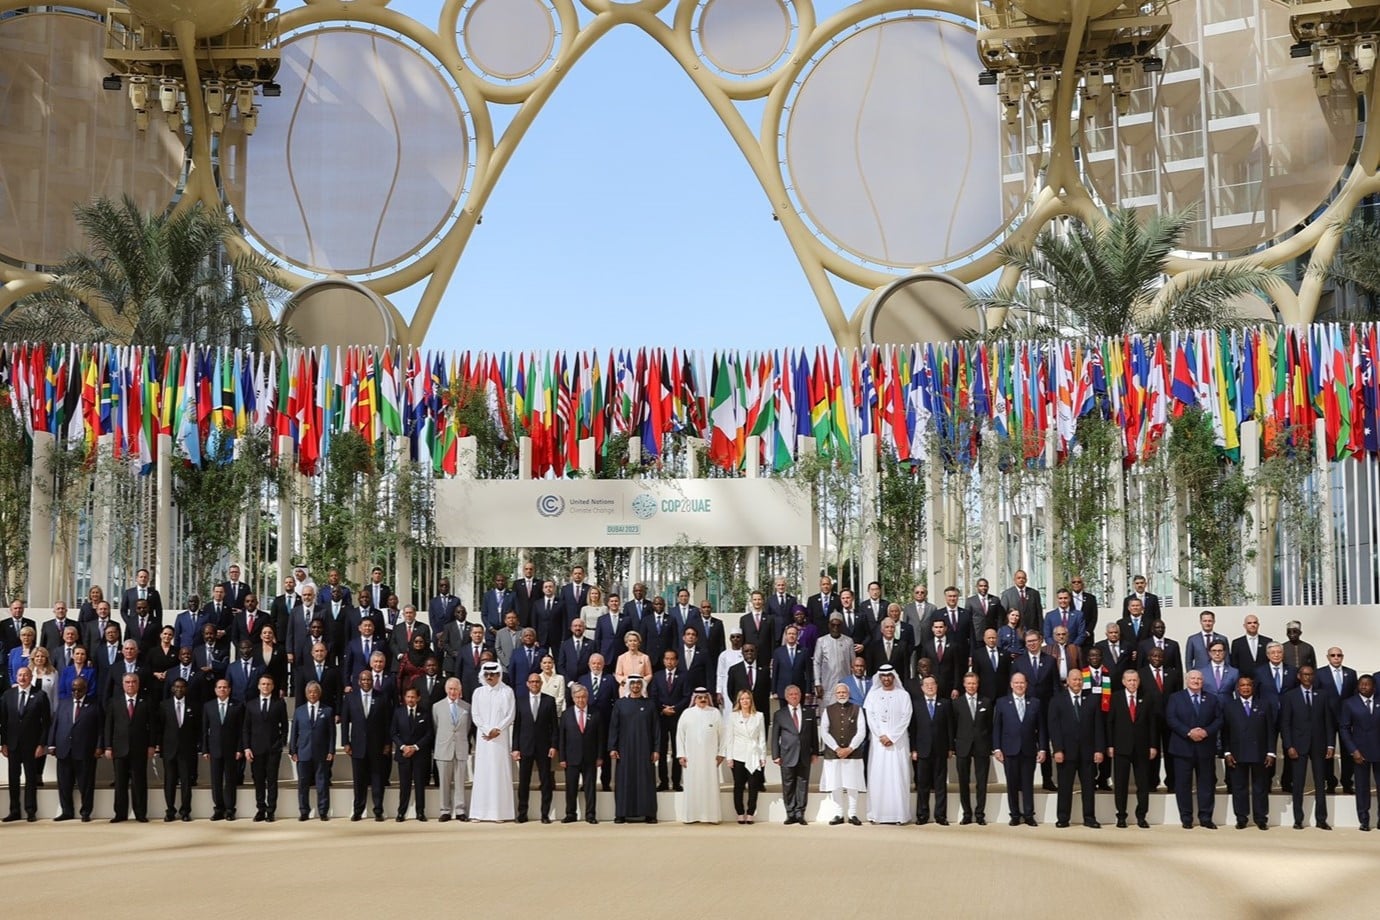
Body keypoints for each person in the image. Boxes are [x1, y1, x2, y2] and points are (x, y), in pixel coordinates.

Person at [1164, 670, 1222, 829]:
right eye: (1193, 678)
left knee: (1206, 784)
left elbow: (1219, 719)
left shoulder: (1212, 698)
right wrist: (1188, 732)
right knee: (1183, 785)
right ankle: (1186, 817)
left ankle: (1205, 817)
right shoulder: (1175, 698)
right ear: (1186, 680)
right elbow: (1171, 718)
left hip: (1205, 747)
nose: (1196, 681)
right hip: (1182, 747)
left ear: (1203, 681)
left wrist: (1206, 731)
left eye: (1199, 679)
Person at [1280, 665, 1334, 829]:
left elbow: (1328, 723)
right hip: (1298, 745)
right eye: (1304, 674)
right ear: (1299, 676)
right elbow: (1285, 724)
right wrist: (1289, 745)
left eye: (1310, 675)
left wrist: (1330, 744)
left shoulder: (1323, 695)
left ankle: (1321, 819)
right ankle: (1298, 819)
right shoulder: (1290, 696)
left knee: (1320, 783)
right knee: (1298, 784)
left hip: (1319, 745)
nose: (1308, 677)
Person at [1048, 669, 1103, 828]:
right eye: (1074, 680)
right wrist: (1057, 749)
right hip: (1065, 752)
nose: (1077, 682)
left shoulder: (1092, 700)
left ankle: (1090, 818)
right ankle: (1063, 818)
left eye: (1080, 680)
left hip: (1088, 752)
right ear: (1067, 682)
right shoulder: (1057, 700)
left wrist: (1099, 749)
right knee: (1065, 787)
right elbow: (1054, 727)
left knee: (1089, 787)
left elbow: (1098, 726)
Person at [1222, 675, 1275, 830]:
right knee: (1239, 787)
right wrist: (1226, 752)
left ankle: (1261, 818)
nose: (1245, 688)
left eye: (1248, 685)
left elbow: (1270, 730)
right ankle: (1241, 817)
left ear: (1253, 687)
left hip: (1260, 753)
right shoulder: (1230, 706)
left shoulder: (1264, 704)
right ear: (1238, 688)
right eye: (1242, 685)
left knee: (1260, 787)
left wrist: (1271, 752)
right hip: (1237, 753)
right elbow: (1225, 732)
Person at [1106, 669, 1156, 828]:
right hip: (1121, 748)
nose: (1132, 683)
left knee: (1143, 784)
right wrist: (1110, 745)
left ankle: (1142, 816)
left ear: (1139, 681)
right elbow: (1110, 723)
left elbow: (1152, 724)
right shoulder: (1116, 697)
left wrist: (1153, 745)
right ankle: (1121, 816)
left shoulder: (1147, 697)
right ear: (1123, 682)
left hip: (1142, 748)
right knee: (1120, 784)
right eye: (1129, 680)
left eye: (1135, 680)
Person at [993, 671, 1044, 826]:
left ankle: (1029, 815)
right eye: (1016, 683)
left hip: (1029, 750)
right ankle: (1014, 814)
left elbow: (1041, 728)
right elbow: (997, 727)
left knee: (1028, 784)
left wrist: (1042, 748)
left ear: (1026, 685)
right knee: (1012, 784)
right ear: (1011, 685)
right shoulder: (1002, 702)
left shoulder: (1035, 702)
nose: (1019, 685)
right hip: (1009, 750)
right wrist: (996, 748)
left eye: (1022, 683)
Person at [863, 664, 913, 824]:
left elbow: (907, 717)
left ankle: (899, 815)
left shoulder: (903, 695)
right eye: (883, 676)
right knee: (878, 775)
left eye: (889, 676)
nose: (886, 679)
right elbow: (870, 717)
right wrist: (881, 735)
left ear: (893, 677)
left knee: (898, 776)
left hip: (898, 743)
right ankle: (877, 814)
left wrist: (892, 736)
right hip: (879, 744)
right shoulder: (872, 695)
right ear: (879, 677)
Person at [1, 667, 51, 822]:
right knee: (13, 779)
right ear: (16, 677)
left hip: (32, 745)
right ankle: (14, 810)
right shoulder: (8, 695)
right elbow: (3, 722)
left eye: (25, 675)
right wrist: (3, 743)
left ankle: (30, 810)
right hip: (13, 745)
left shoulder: (40, 695)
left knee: (31, 778)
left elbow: (46, 723)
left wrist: (42, 744)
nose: (22, 678)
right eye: (20, 675)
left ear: (31, 677)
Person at [49, 675, 101, 821]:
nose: (76, 693)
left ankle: (85, 812)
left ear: (86, 689)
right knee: (64, 783)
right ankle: (67, 811)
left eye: (79, 690)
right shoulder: (63, 703)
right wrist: (52, 744)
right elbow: (55, 725)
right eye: (73, 690)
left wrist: (99, 746)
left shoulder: (95, 705)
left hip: (85, 750)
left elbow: (100, 728)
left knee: (86, 784)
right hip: (64, 749)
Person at [342, 668, 391, 821]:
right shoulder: (350, 698)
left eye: (368, 679)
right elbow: (345, 722)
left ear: (372, 681)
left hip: (377, 745)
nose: (366, 682)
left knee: (377, 779)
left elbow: (387, 723)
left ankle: (378, 810)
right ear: (358, 681)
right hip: (357, 746)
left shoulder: (382, 697)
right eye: (363, 679)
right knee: (359, 780)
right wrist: (345, 742)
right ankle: (358, 810)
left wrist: (387, 743)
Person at [609, 673, 659, 823]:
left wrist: (656, 749)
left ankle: (649, 813)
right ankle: (621, 813)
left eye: (638, 683)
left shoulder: (650, 704)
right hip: (625, 749)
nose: (636, 686)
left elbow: (656, 728)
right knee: (624, 780)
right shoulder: (620, 704)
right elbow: (614, 727)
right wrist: (613, 747)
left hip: (645, 749)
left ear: (642, 685)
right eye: (633, 684)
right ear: (629, 685)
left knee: (646, 780)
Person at [105, 671, 154, 822]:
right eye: (128, 682)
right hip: (119, 748)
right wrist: (108, 746)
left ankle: (140, 813)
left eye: (133, 682)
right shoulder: (114, 701)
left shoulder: (146, 701)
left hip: (139, 748)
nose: (131, 684)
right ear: (123, 684)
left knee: (139, 782)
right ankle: (120, 814)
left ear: (138, 684)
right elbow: (109, 725)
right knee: (120, 782)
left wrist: (151, 745)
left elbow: (152, 726)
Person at [470, 662, 517, 822]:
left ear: (499, 675)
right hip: (484, 739)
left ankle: (500, 813)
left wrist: (498, 729)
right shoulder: (478, 692)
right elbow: (475, 715)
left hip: (500, 738)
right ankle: (479, 813)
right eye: (487, 674)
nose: (490, 677)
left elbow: (510, 714)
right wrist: (486, 730)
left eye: (493, 674)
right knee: (482, 773)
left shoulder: (507, 691)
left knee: (499, 773)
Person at [512, 671, 558, 823]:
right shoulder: (520, 701)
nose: (534, 684)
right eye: (532, 682)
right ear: (527, 684)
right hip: (525, 747)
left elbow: (554, 726)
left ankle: (545, 814)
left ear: (541, 683)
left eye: (537, 682)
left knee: (546, 782)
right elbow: (517, 727)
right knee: (524, 782)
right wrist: (515, 748)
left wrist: (553, 745)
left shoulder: (549, 700)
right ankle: (522, 813)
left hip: (544, 747)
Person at [242, 674, 287, 822]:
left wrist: (281, 743)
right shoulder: (250, 704)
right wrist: (247, 747)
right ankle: (260, 809)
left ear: (273, 686)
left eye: (268, 684)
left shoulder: (279, 703)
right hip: (255, 749)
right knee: (259, 780)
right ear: (258, 686)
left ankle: (271, 810)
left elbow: (285, 726)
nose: (266, 686)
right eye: (263, 684)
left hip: (273, 749)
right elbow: (246, 728)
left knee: (272, 780)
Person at [819, 682, 866, 825]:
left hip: (853, 754)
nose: (841, 695)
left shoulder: (857, 709)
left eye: (844, 692)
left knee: (852, 785)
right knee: (836, 784)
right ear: (835, 695)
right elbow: (824, 731)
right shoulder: (828, 710)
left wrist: (850, 748)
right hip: (833, 755)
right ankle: (838, 814)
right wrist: (836, 748)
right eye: (839, 693)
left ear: (849, 694)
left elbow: (861, 732)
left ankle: (852, 814)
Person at [1339, 674, 1380, 831]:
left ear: (1374, 687)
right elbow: (1344, 728)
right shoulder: (1349, 703)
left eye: (1367, 684)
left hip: (1378, 751)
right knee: (1362, 788)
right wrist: (1353, 750)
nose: (1364, 686)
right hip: (1359, 752)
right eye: (1361, 684)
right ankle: (1364, 820)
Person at [289, 680, 335, 821]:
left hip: (321, 753)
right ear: (306, 694)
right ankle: (304, 811)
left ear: (319, 693)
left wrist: (331, 750)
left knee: (322, 783)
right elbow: (294, 732)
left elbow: (332, 733)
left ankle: (323, 811)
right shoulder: (299, 711)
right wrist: (292, 750)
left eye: (315, 691)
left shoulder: (327, 711)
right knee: (303, 784)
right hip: (303, 752)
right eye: (310, 692)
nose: (313, 694)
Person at [676, 687, 724, 823]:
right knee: (693, 785)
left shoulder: (715, 713)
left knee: (710, 786)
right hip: (691, 758)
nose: (702, 700)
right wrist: (681, 755)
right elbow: (679, 736)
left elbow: (723, 735)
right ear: (694, 699)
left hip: (710, 758)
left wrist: (721, 754)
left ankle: (711, 817)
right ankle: (691, 817)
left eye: (704, 697)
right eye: (699, 697)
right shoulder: (687, 713)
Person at [910, 675, 953, 825]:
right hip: (922, 750)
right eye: (926, 685)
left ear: (937, 686)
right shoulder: (916, 704)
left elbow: (950, 727)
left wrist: (950, 748)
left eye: (932, 684)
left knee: (940, 784)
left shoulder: (945, 703)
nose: (930, 687)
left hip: (941, 750)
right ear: (921, 688)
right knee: (923, 784)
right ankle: (922, 815)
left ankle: (940, 815)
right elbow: (913, 728)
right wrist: (913, 749)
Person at [155, 677, 198, 822]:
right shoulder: (163, 705)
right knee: (170, 781)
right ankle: (170, 811)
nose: (179, 689)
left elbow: (196, 729)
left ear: (186, 689)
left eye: (182, 687)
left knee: (186, 782)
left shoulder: (194, 705)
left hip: (187, 750)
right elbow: (159, 728)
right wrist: (158, 746)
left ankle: (185, 811)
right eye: (177, 687)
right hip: (169, 749)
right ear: (172, 689)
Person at [773, 683, 817, 825]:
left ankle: (800, 813)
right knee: (788, 785)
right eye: (791, 694)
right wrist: (775, 755)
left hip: (804, 754)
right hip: (787, 755)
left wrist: (815, 752)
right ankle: (790, 813)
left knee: (802, 784)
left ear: (800, 696)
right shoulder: (779, 714)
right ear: (786, 697)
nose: (794, 697)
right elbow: (774, 737)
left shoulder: (809, 712)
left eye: (796, 694)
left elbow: (814, 735)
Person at [953, 671, 992, 825]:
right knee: (963, 781)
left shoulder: (986, 702)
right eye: (968, 683)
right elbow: (954, 725)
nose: (971, 686)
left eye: (974, 683)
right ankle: (967, 813)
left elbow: (990, 726)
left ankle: (980, 814)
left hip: (982, 746)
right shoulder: (957, 703)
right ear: (964, 684)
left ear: (978, 684)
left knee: (981, 782)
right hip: (963, 746)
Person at [202, 678, 245, 820]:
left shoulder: (237, 706)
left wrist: (240, 749)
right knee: (216, 781)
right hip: (214, 749)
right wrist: (205, 749)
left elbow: (241, 730)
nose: (222, 689)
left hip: (231, 750)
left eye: (225, 687)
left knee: (230, 781)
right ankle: (218, 809)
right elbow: (204, 730)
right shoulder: (208, 706)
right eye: (219, 687)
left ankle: (230, 809)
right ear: (215, 690)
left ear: (229, 689)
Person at [722, 689, 767, 823]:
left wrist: (762, 756)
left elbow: (762, 738)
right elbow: (729, 738)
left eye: (747, 698)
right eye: (742, 699)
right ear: (739, 701)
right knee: (739, 785)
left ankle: (751, 812)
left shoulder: (759, 716)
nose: (745, 701)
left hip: (754, 754)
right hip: (738, 754)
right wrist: (729, 757)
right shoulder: (733, 716)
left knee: (754, 785)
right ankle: (740, 812)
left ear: (751, 700)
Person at [559, 683, 601, 823]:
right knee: (571, 788)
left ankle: (590, 815)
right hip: (571, 758)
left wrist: (600, 756)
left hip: (590, 757)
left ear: (587, 697)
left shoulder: (595, 713)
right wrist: (562, 758)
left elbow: (600, 737)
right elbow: (562, 738)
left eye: (583, 697)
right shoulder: (566, 714)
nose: (581, 700)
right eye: (577, 697)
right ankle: (571, 814)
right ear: (573, 698)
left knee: (590, 788)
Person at [433, 678, 472, 822]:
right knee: (444, 782)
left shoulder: (466, 707)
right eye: (450, 689)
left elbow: (467, 727)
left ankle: (460, 810)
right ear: (445, 689)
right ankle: (445, 810)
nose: (453, 692)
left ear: (460, 690)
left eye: (455, 689)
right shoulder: (437, 707)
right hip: (444, 749)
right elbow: (436, 726)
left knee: (460, 781)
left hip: (460, 748)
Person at [392, 685, 433, 821]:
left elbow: (429, 734)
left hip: (419, 755)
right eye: (408, 697)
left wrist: (415, 747)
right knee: (404, 785)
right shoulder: (398, 712)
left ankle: (420, 812)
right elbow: (393, 733)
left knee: (420, 785)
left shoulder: (425, 712)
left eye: (413, 697)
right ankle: (401, 812)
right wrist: (404, 747)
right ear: (404, 698)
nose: (410, 699)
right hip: (404, 755)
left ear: (418, 698)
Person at [653, 649, 689, 791]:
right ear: (663, 660)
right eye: (667, 659)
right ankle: (663, 781)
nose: (670, 661)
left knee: (677, 749)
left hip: (677, 718)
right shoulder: (657, 676)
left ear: (677, 661)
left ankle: (675, 781)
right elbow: (654, 696)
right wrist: (663, 709)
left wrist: (674, 708)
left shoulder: (684, 676)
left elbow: (687, 696)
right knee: (661, 750)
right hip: (661, 718)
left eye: (672, 659)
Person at [814, 613, 853, 702]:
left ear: (842, 626)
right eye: (833, 625)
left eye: (838, 625)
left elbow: (853, 664)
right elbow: (816, 663)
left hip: (845, 684)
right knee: (826, 713)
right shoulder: (821, 641)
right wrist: (817, 683)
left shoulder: (848, 641)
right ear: (829, 625)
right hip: (826, 685)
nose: (835, 628)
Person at [614, 630, 652, 695]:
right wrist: (626, 682)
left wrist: (641, 682)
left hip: (640, 689)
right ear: (626, 643)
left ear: (639, 643)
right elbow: (618, 675)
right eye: (630, 641)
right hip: (625, 690)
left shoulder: (645, 657)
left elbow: (649, 674)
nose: (632, 643)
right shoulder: (621, 658)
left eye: (635, 641)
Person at [538, 653, 567, 719]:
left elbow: (561, 697)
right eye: (544, 663)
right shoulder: (537, 678)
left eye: (549, 663)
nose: (547, 665)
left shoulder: (560, 678)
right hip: (540, 713)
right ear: (541, 665)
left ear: (553, 664)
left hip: (556, 713)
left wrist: (551, 709)